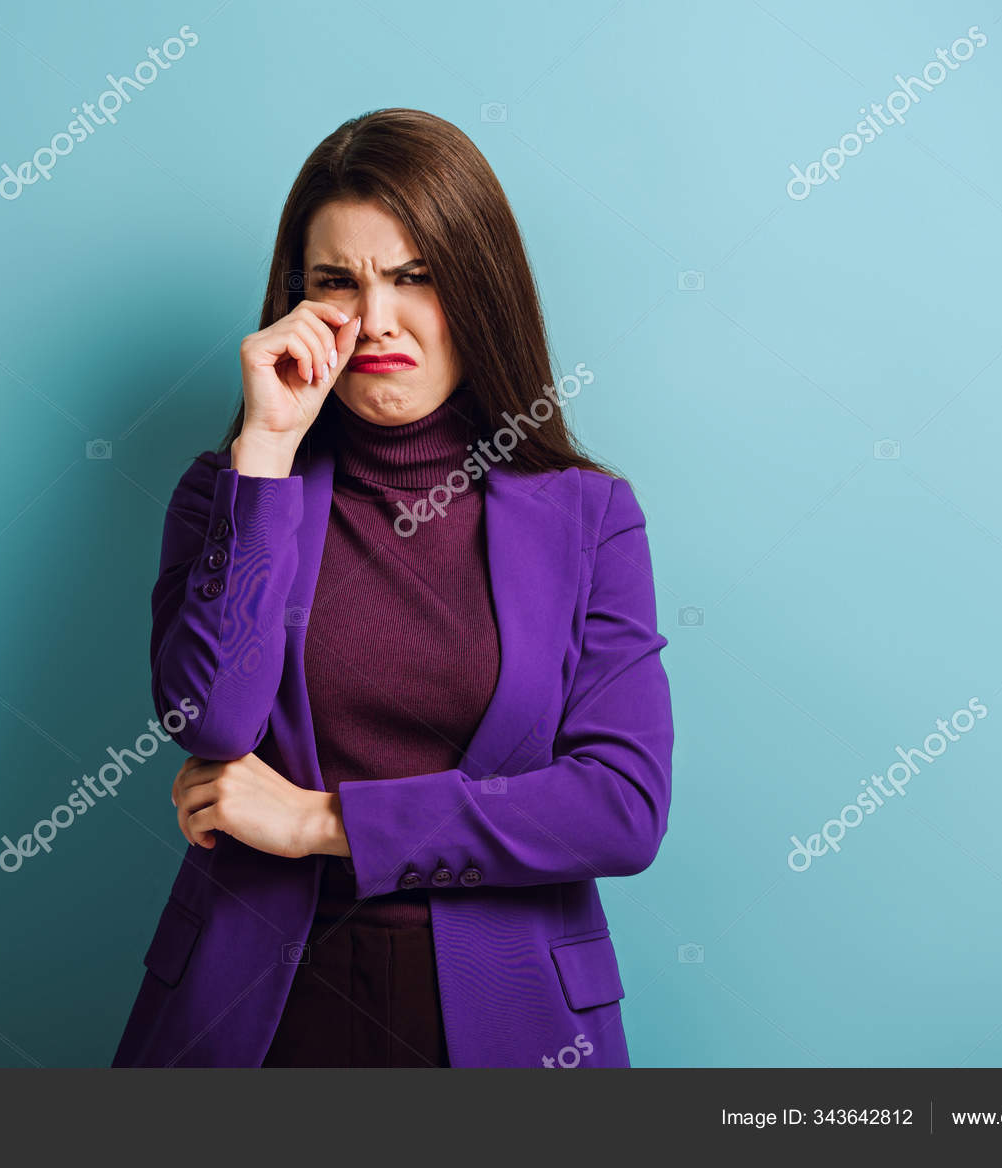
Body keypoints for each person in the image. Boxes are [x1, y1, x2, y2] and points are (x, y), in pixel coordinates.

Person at [111, 108, 674, 1068]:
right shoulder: (235, 489)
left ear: (478, 287)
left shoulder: (591, 516)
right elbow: (211, 725)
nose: (375, 321)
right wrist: (269, 454)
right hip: (253, 1015)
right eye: (338, 282)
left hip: (516, 1019)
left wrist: (319, 823)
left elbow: (619, 806)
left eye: (415, 277)